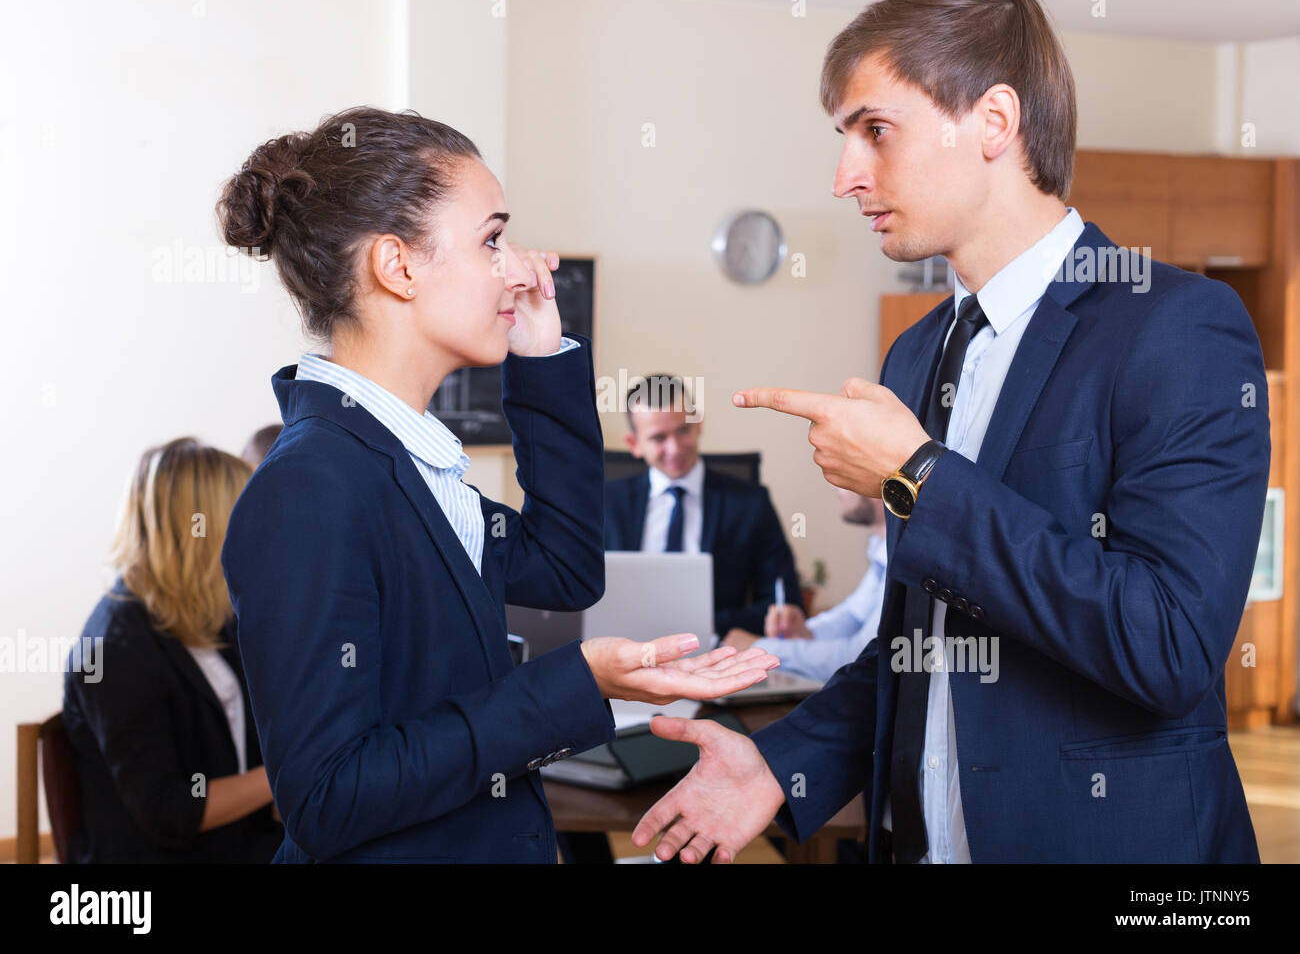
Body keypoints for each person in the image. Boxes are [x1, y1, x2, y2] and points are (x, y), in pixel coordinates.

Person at [633, 0, 1268, 864]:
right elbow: (916, 644)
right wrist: (782, 768)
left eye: (875, 131)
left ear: (995, 123)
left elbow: (1167, 646)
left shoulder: (1177, 327)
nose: (846, 176)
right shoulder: (914, 353)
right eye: (845, 138)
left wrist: (920, 477)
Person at [216, 107, 777, 864]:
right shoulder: (310, 488)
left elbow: (566, 568)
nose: (520, 268)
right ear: (399, 266)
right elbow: (327, 798)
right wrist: (576, 684)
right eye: (491, 240)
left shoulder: (403, 459)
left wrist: (544, 360)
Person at [62, 438, 284, 863]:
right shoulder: (110, 651)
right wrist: (283, 779)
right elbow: (169, 810)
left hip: (232, 842)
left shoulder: (207, 616)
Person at [604, 373, 804, 635]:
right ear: (635, 444)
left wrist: (703, 626)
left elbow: (782, 603)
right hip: (624, 649)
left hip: (715, 652)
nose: (674, 449)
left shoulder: (749, 503)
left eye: (683, 430)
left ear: (698, 424)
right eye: (658, 438)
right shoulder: (605, 504)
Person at [724, 492, 886, 684]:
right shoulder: (881, 546)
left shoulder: (906, 554)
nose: (835, 487)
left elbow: (859, 657)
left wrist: (758, 649)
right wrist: (806, 633)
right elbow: (852, 615)